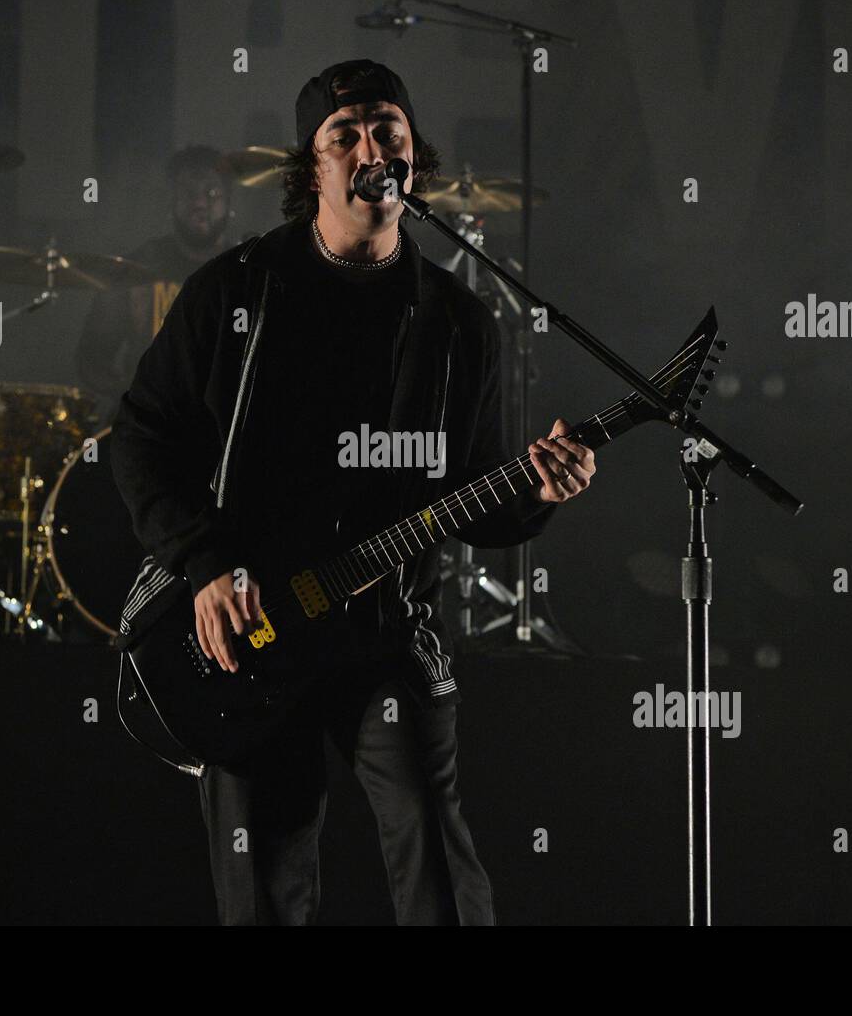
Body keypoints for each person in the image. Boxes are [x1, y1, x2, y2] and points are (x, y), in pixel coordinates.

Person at [110, 59, 595, 925]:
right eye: (348, 135)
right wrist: (207, 563)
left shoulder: (457, 321)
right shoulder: (238, 291)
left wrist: (541, 490)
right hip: (252, 626)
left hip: (383, 630)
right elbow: (143, 436)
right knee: (263, 891)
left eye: (389, 131)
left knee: (440, 871)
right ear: (313, 167)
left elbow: (478, 497)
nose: (373, 147)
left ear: (413, 157)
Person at [76, 145, 233, 418]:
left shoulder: (244, 270)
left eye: (211, 193)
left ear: (229, 202)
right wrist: (132, 394)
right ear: (170, 201)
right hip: (152, 423)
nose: (199, 203)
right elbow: (93, 357)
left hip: (226, 423)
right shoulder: (136, 269)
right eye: (188, 193)